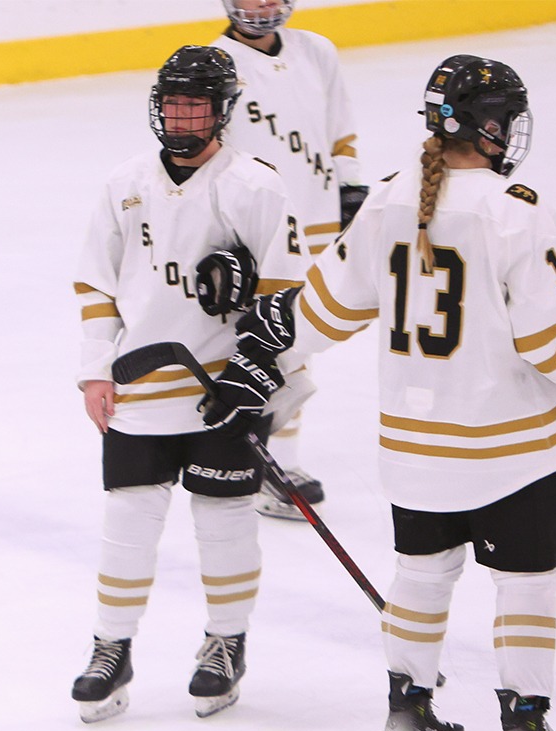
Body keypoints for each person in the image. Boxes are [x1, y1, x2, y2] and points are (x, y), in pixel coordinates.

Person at [229, 55, 556, 731]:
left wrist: (260, 355)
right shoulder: (517, 210)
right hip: (512, 449)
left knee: (421, 576)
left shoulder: (387, 200)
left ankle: (408, 721)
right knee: (526, 585)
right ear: (493, 127)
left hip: (414, 448)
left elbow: (322, 312)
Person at [69, 45, 302, 723]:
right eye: (173, 103)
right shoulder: (125, 183)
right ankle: (111, 647)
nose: (182, 116)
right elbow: (96, 281)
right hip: (141, 386)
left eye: (197, 105)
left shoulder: (255, 186)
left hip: (220, 392)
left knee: (223, 522)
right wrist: (93, 368)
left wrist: (254, 379)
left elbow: (289, 293)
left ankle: (225, 643)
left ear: (224, 110)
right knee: (127, 526)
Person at [209, 0, 364, 518]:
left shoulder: (317, 51)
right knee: (264, 349)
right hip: (259, 232)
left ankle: (275, 460)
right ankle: (263, 464)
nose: (265, 4)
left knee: (298, 349)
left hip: (316, 228)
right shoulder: (214, 62)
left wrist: (352, 190)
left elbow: (340, 130)